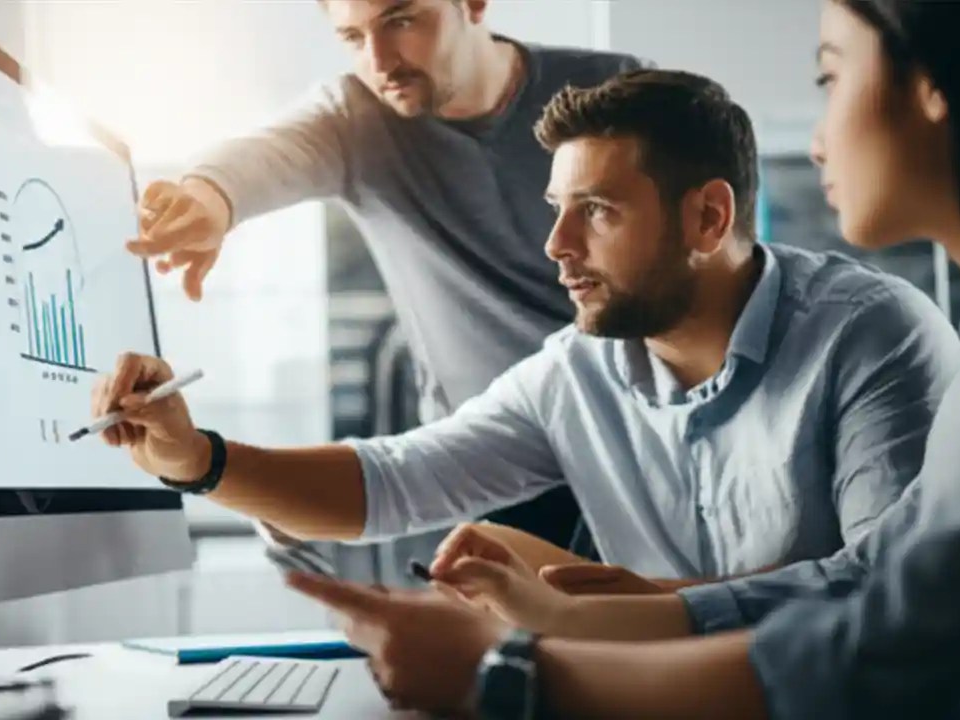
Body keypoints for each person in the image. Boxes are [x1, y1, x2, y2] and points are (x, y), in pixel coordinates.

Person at [285, 1, 960, 718]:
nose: (818, 137)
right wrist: (576, 616)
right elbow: (883, 593)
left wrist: (511, 672)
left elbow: (876, 646)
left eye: (831, 75)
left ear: (932, 86)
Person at [95, 69, 960, 588]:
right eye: (558, 209)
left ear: (707, 219)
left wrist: (646, 609)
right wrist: (194, 458)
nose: (556, 247)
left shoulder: (874, 338)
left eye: (595, 211)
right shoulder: (576, 373)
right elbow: (395, 483)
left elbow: (889, 596)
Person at [127, 0, 646, 551]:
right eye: (353, 37)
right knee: (520, 633)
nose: (380, 61)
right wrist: (207, 200)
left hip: (635, 445)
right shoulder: (357, 116)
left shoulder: (608, 90)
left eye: (402, 21)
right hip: (485, 468)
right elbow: (263, 156)